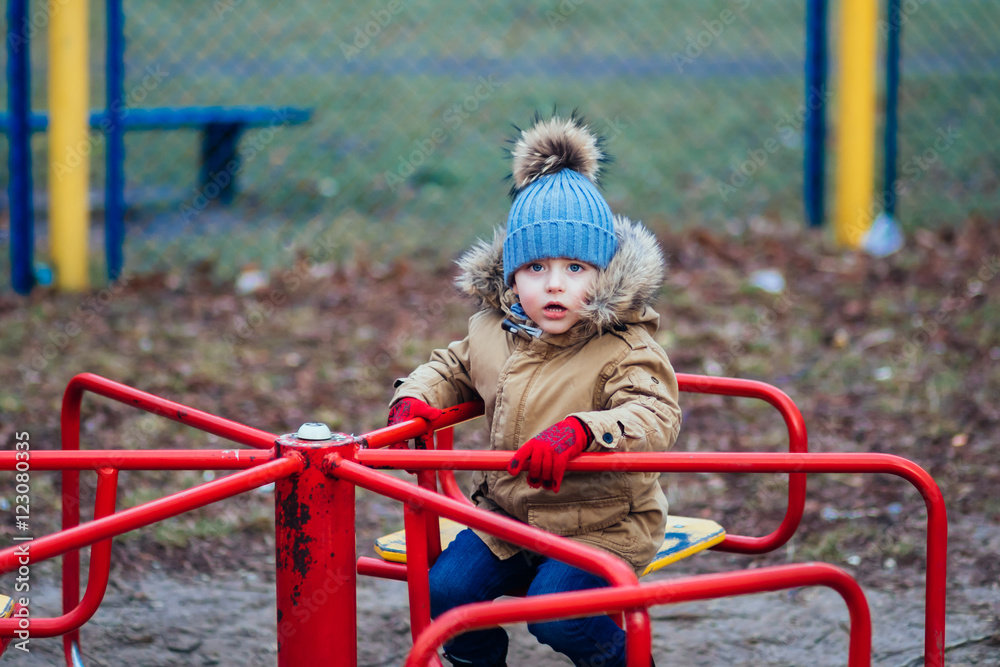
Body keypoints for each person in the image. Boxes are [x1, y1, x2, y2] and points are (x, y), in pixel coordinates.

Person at [387, 113, 680, 667]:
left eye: (575, 266)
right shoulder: (492, 331)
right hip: (509, 515)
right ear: (510, 275)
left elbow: (653, 413)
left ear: (604, 273)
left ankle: (622, 661)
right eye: (535, 266)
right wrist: (415, 399)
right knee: (444, 595)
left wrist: (581, 433)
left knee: (557, 612)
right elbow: (451, 366)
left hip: (600, 523)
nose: (554, 284)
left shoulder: (624, 345)